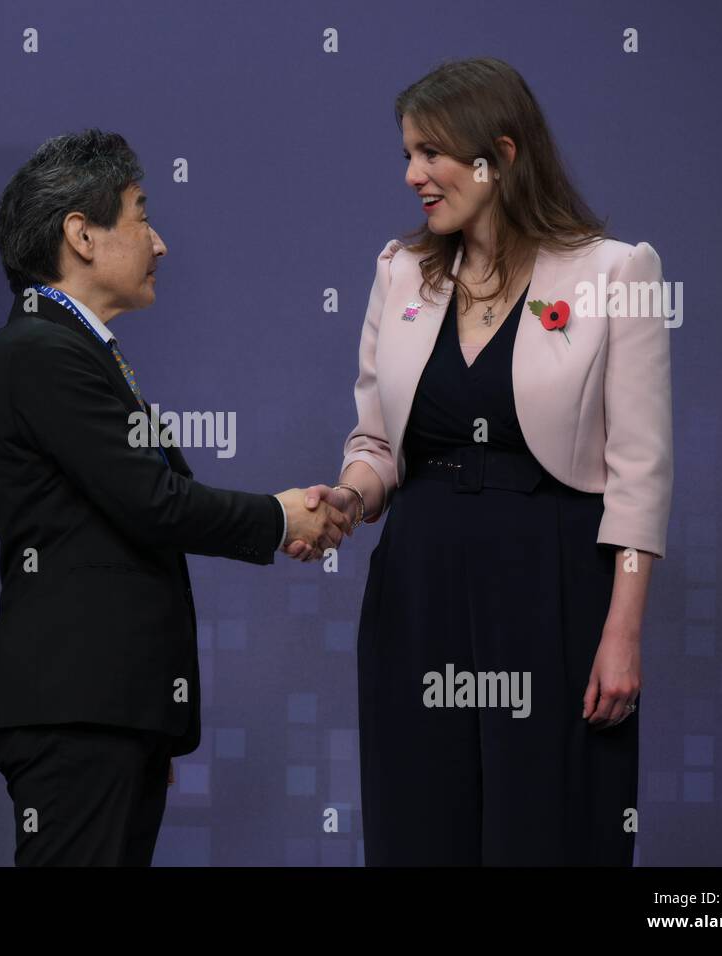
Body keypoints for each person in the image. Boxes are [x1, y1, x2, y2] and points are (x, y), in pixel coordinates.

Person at [288, 58, 673, 865]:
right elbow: (377, 443)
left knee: (547, 829)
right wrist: (348, 501)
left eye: (430, 153)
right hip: (420, 590)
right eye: (406, 154)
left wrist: (623, 632)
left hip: (552, 590)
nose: (412, 175)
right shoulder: (400, 273)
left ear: (496, 155)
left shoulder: (615, 272)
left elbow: (640, 472)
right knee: (420, 823)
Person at [0, 129, 352, 866]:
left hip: (107, 713)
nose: (160, 243)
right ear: (81, 235)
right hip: (78, 712)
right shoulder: (43, 351)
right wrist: (281, 518)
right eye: (141, 215)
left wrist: (141, 715)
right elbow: (154, 502)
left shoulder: (69, 349)